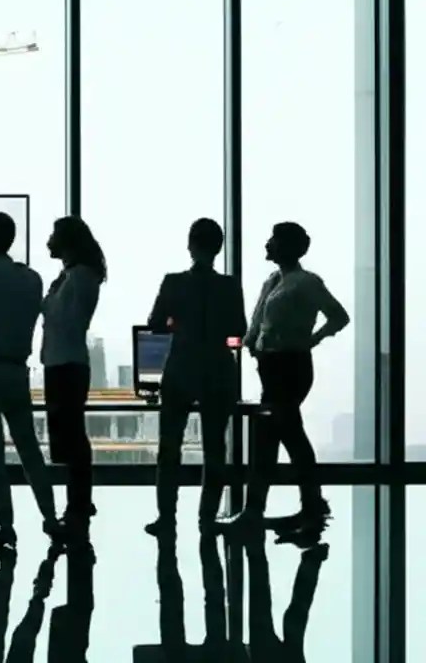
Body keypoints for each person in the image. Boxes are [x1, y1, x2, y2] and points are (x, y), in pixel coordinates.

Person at [220, 222, 349, 537]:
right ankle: (296, 508)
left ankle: (304, 510)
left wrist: (311, 340)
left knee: (286, 435)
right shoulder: (273, 281)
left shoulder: (306, 282)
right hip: (271, 367)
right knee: (275, 437)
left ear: (287, 246)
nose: (267, 243)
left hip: (291, 367)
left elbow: (339, 316)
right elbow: (257, 322)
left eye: (273, 239)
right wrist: (243, 344)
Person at [0, 211, 64, 552]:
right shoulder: (31, 280)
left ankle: (6, 527)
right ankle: (50, 518)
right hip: (17, 371)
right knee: (30, 450)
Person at [143, 219, 246, 537]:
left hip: (181, 368)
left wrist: (177, 324)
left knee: (169, 446)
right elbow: (238, 332)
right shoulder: (229, 286)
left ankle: (166, 518)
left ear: (190, 245)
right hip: (218, 369)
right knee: (215, 447)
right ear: (218, 248)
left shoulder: (173, 283)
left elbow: (156, 325)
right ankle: (207, 518)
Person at [41, 215, 106, 536]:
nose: (48, 241)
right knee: (70, 436)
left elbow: (64, 319)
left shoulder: (79, 278)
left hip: (67, 363)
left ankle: (78, 502)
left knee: (73, 437)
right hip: (61, 361)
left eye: (54, 235)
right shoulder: (71, 276)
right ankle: (79, 501)